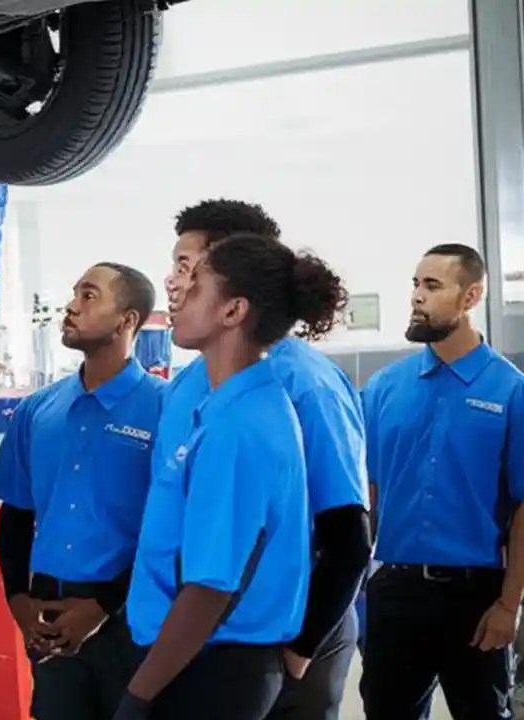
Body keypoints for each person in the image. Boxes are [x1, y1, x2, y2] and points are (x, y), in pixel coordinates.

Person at [117, 232, 347, 720]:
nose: (175, 288)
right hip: (193, 659)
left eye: (195, 283)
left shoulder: (243, 424)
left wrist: (138, 696)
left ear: (233, 311)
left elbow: (210, 588)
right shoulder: (225, 404)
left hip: (208, 670)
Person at [0, 262, 164, 720]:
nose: (72, 306)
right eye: (74, 293)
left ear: (127, 320)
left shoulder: (166, 408)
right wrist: (19, 602)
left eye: (89, 296)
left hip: (132, 620)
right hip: (49, 615)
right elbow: (14, 514)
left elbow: (172, 529)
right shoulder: (38, 410)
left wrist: (104, 606)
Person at [360, 243, 523, 720]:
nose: (416, 296)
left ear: (470, 296)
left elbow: (522, 508)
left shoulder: (510, 390)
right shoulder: (385, 388)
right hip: (395, 590)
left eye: (432, 286)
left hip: (476, 599)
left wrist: (509, 605)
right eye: (415, 283)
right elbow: (366, 494)